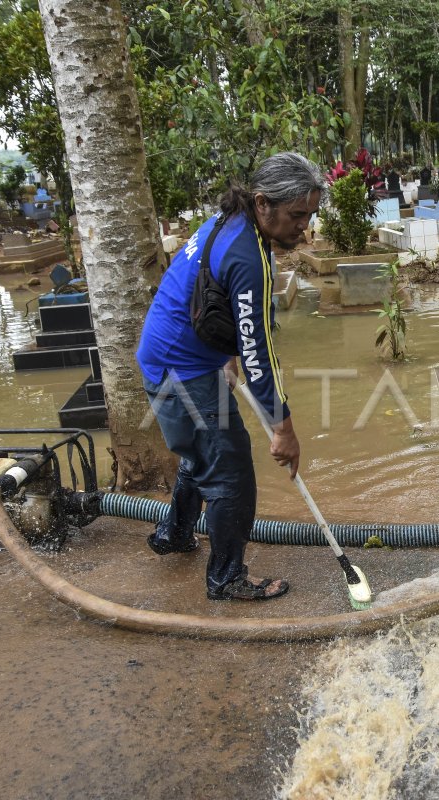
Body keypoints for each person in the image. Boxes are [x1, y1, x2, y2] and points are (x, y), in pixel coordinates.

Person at [136, 152, 324, 601]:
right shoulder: (252, 259)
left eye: (310, 215)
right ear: (263, 203)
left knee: (202, 454)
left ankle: (175, 535)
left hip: (166, 356)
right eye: (297, 215)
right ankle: (226, 577)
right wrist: (284, 429)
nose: (305, 226)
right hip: (181, 369)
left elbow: (209, 293)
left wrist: (225, 353)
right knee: (231, 470)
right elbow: (260, 352)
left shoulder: (230, 219)